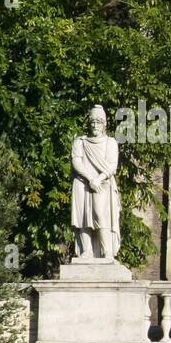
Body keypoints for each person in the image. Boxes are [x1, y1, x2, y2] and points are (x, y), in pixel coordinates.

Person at [70, 104, 122, 260]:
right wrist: (90, 178)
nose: (95, 125)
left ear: (104, 124)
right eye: (92, 122)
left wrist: (98, 179)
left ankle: (107, 252)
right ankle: (86, 251)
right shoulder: (80, 142)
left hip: (102, 183)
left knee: (101, 215)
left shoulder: (110, 142)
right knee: (83, 217)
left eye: (98, 122)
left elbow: (112, 165)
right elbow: (76, 162)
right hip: (83, 182)